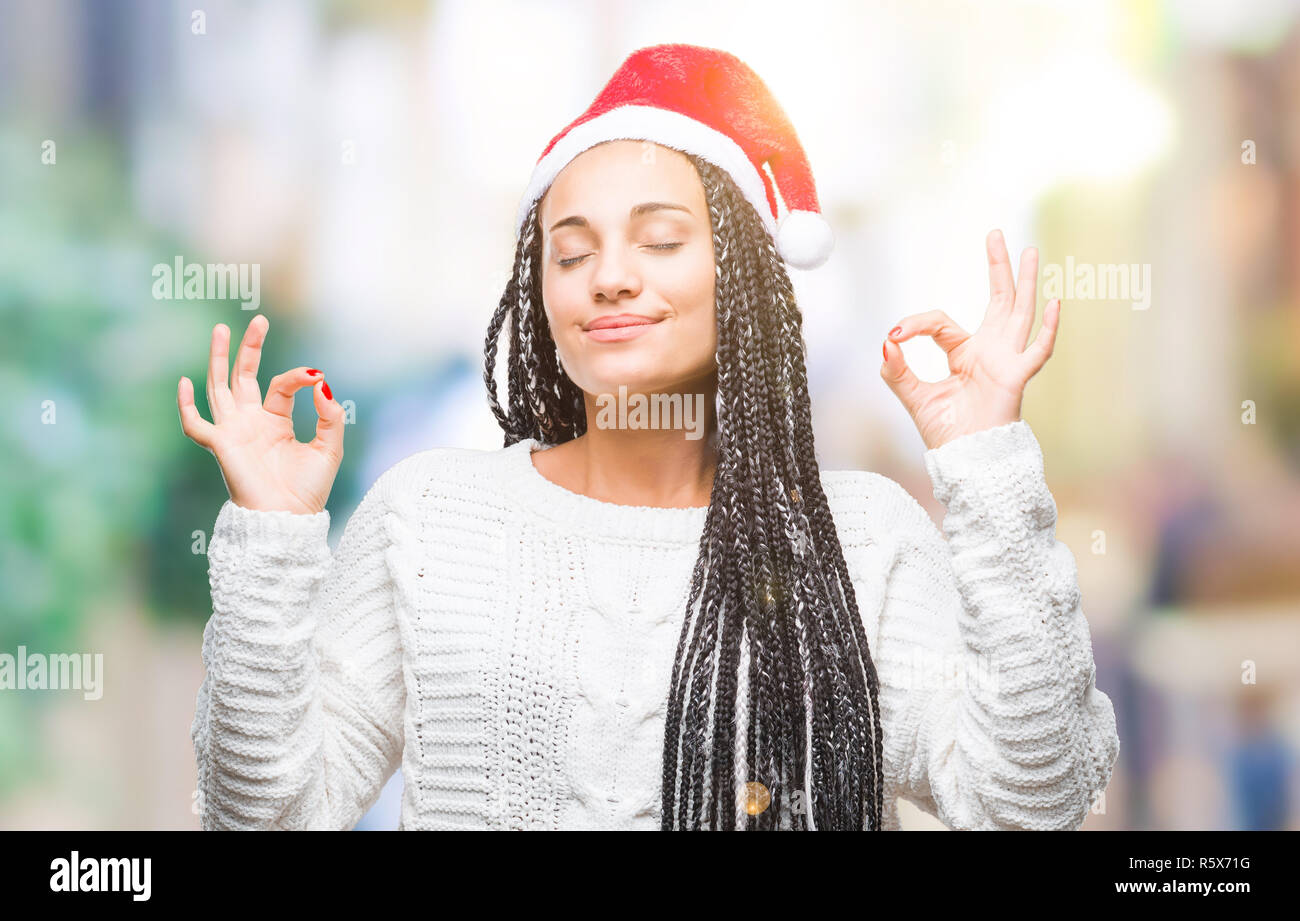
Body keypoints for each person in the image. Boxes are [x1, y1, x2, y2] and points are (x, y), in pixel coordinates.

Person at [177, 43, 1119, 831]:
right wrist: (270, 537)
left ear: (745, 274)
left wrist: (987, 464)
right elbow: (269, 814)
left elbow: (1027, 801)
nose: (609, 277)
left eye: (660, 240)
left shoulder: (860, 542)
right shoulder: (429, 520)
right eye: (572, 251)